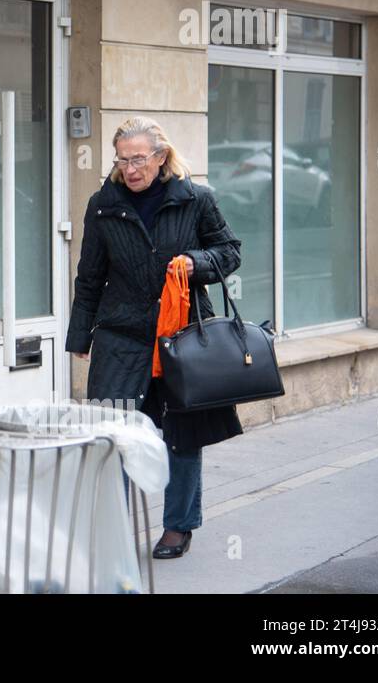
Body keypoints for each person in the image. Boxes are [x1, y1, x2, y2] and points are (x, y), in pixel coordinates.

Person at [64, 116, 244, 559]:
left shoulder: (196, 199)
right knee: (114, 437)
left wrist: (194, 262)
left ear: (161, 157)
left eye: (139, 159)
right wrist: (80, 336)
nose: (130, 169)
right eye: (123, 160)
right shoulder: (102, 205)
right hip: (121, 338)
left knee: (181, 435)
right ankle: (112, 532)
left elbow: (230, 251)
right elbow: (89, 276)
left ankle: (178, 527)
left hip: (182, 337)